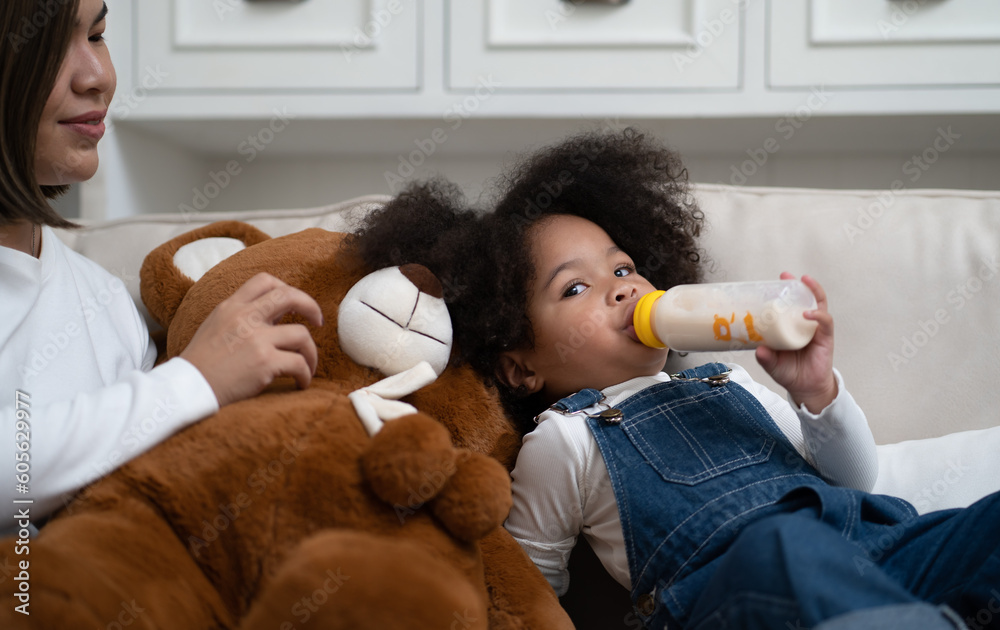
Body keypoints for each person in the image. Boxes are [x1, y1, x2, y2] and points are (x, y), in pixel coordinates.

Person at [349, 128, 1000, 630]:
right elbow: (529, 583)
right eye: (576, 287)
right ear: (521, 364)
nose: (620, 289)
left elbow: (857, 482)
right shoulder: (566, 440)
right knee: (782, 544)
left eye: (625, 268)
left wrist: (816, 393)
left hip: (881, 547)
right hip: (736, 593)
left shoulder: (731, 380)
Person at [1, 0, 323, 535]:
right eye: (54, 44)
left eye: (98, 34)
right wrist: (193, 381)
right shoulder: (177, 378)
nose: (99, 77)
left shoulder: (104, 302)